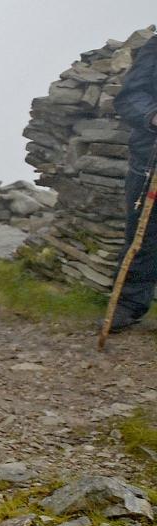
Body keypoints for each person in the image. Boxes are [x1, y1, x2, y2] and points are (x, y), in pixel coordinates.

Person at [108, 33, 157, 332]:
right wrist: (152, 116)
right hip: (151, 161)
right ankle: (127, 305)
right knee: (144, 236)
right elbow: (129, 98)